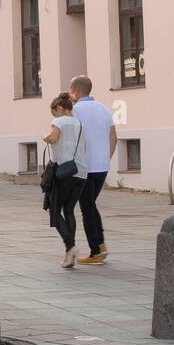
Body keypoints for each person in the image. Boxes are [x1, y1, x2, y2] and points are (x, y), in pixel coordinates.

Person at [69, 74, 116, 264]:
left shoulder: (74, 111)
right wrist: (106, 158)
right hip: (101, 165)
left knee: (86, 207)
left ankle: (96, 251)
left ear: (76, 91)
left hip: (84, 166)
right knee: (90, 205)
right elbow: (113, 137)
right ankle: (101, 244)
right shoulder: (104, 109)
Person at [42, 92, 87, 268]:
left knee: (54, 209)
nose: (54, 116)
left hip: (63, 173)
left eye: (54, 112)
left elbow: (53, 138)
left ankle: (71, 246)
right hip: (81, 172)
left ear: (59, 108)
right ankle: (70, 254)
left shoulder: (59, 121)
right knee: (69, 210)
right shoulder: (79, 123)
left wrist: (45, 137)